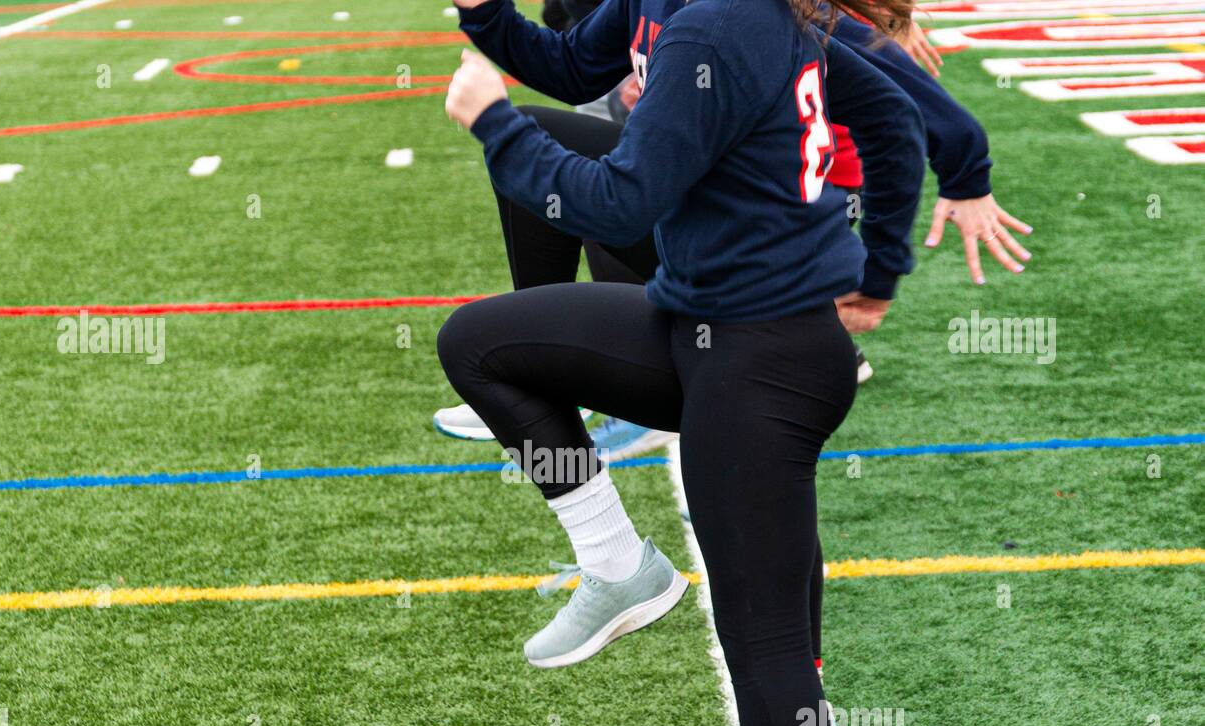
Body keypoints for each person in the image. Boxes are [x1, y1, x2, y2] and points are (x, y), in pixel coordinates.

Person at [435, 0, 926, 726]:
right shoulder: (758, 13)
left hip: (762, 362)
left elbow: (619, 202)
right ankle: (620, 565)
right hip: (701, 330)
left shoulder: (718, 23)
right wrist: (880, 268)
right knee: (483, 345)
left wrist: (495, 121)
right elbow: (896, 119)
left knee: (765, 637)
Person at [433, 1, 1034, 452]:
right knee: (583, 162)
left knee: (604, 196)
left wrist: (964, 181)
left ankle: (794, 334)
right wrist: (484, 13)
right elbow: (571, 68)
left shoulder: (757, 16)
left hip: (767, 226)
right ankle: (555, 372)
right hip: (719, 203)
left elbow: (908, 107)